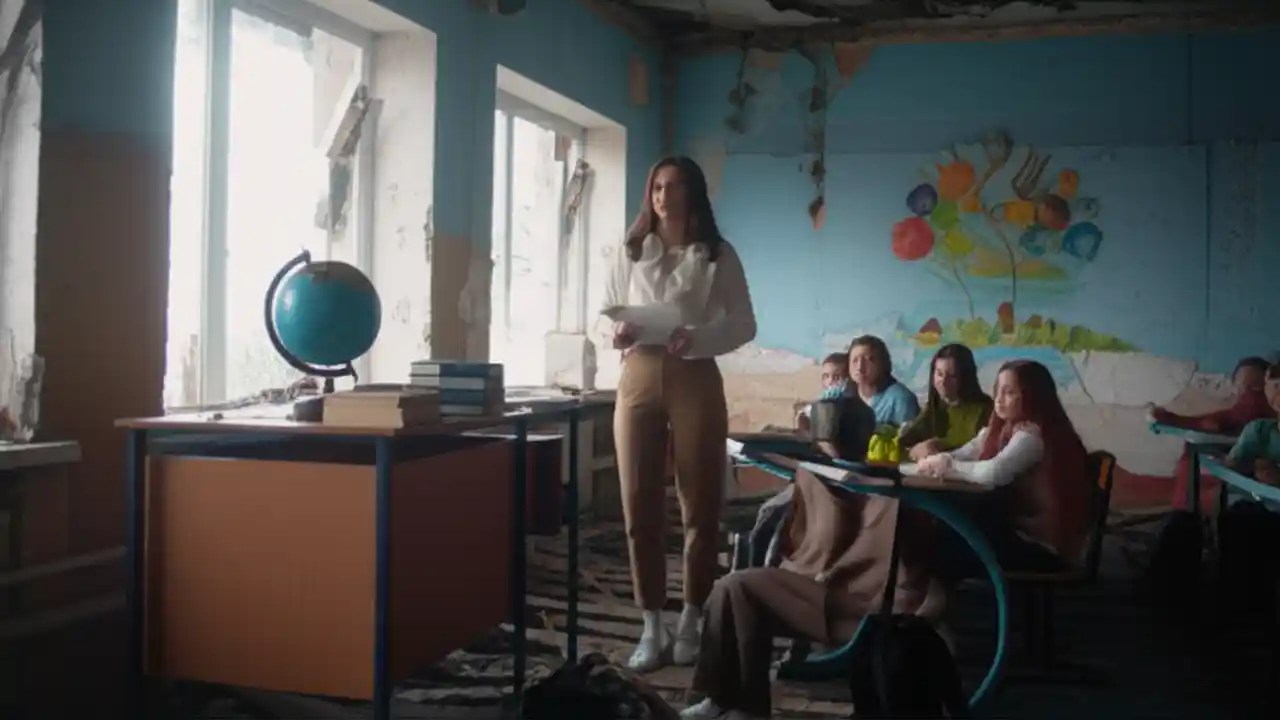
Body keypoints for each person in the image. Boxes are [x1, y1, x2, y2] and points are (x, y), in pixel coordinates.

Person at [600, 156, 757, 673]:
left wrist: (702, 337)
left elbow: (744, 323)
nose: (665, 196)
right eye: (658, 187)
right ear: (650, 194)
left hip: (695, 372)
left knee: (701, 502)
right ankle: (652, 624)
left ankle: (692, 617)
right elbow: (602, 312)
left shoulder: (716, 253)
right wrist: (615, 333)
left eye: (675, 186)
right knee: (637, 503)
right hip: (638, 374)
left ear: (694, 193)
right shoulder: (628, 250)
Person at [917, 359, 1092, 574]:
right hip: (1019, 534)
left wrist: (946, 465)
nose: (998, 400)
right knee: (943, 524)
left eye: (1009, 392)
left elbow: (993, 472)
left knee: (945, 536)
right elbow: (964, 453)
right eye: (997, 390)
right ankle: (932, 596)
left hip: (1043, 548)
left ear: (1033, 396)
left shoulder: (1034, 434)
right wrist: (936, 461)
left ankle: (936, 598)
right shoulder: (1001, 430)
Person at [1148, 356, 1273, 511]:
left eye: (1256, 389)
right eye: (1241, 388)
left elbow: (1213, 423)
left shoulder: (1258, 417)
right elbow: (1217, 422)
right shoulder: (1246, 422)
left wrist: (1175, 420)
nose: (1248, 395)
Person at [899, 343, 992, 462]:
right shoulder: (935, 405)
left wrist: (938, 445)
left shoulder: (984, 408)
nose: (943, 382)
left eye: (952, 376)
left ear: (966, 378)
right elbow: (909, 437)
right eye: (939, 374)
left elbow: (972, 446)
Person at [848, 335, 920, 429]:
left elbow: (910, 439)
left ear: (883, 363)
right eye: (855, 360)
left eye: (869, 360)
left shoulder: (901, 399)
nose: (860, 367)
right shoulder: (845, 395)